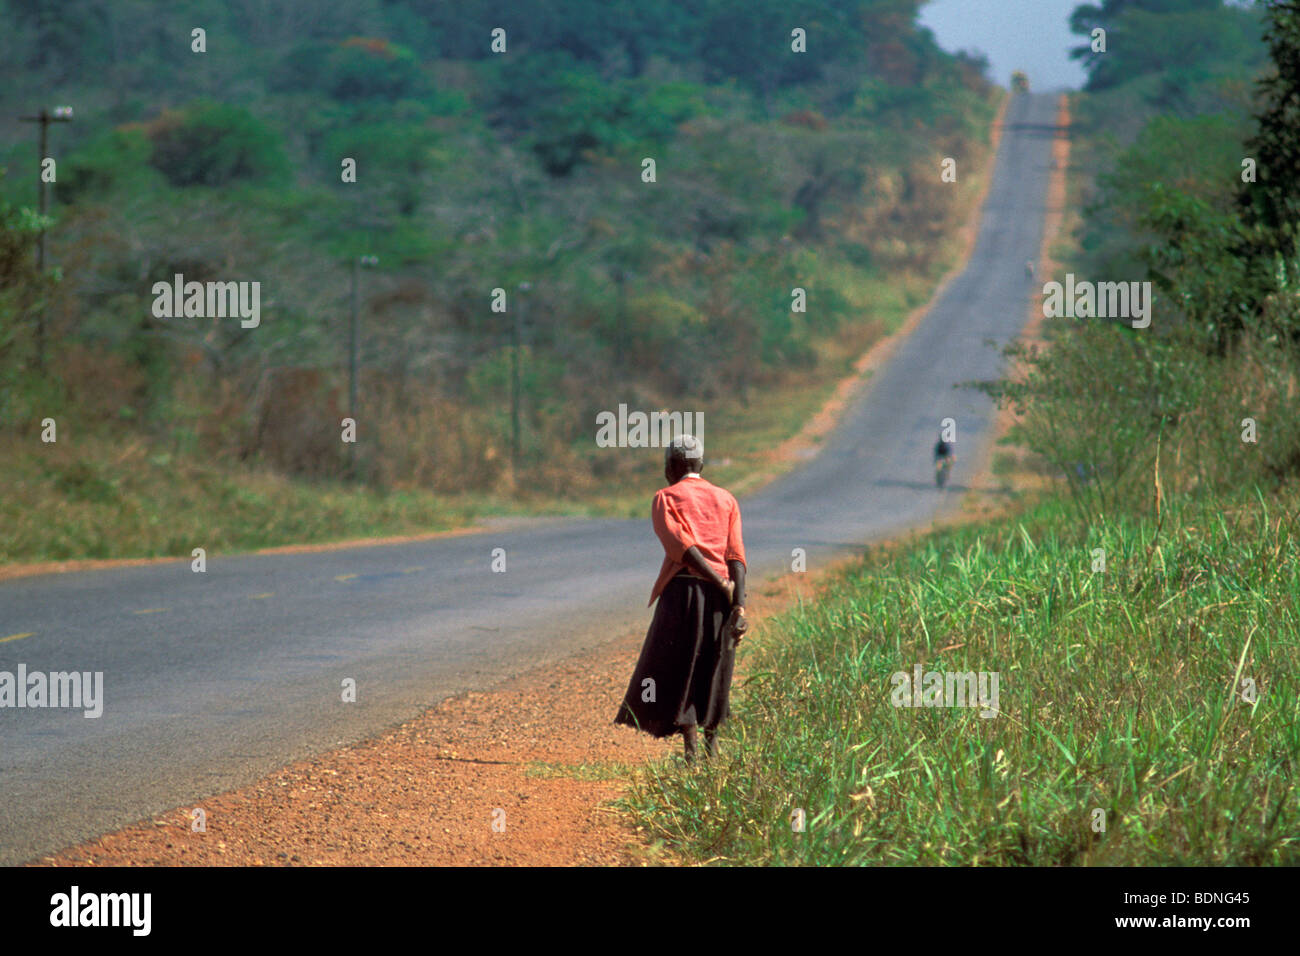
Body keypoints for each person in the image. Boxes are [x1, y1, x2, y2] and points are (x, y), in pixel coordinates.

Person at [614, 434, 747, 762]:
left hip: (683, 593)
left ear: (671, 467)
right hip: (722, 597)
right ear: (700, 465)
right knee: (716, 663)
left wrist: (713, 579)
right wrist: (738, 603)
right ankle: (711, 746)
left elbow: (680, 547)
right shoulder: (726, 499)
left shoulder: (665, 497)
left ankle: (691, 749)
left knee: (682, 664)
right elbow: (736, 556)